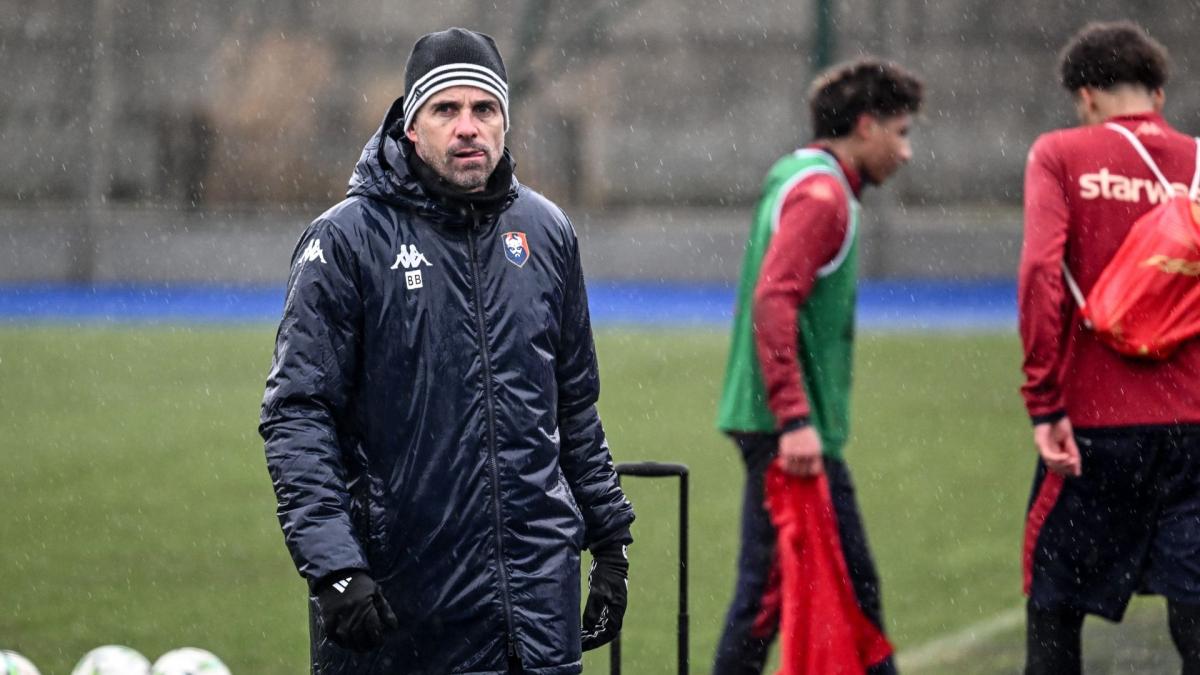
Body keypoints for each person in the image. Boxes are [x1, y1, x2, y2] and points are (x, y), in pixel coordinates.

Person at [259, 27, 635, 675]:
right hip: (404, 610)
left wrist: (609, 544)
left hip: (536, 611)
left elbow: (574, 405)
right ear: (410, 125)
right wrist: (336, 567)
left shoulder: (546, 233)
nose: (468, 127)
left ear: (505, 122)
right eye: (446, 109)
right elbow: (298, 413)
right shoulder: (346, 240)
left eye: (484, 109)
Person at [714, 59, 923, 674]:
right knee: (782, 597)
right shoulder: (825, 195)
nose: (906, 152)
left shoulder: (796, 172)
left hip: (782, 425)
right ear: (865, 127)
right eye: (901, 132)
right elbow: (774, 300)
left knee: (808, 591)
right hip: (792, 433)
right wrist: (795, 417)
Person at [1019, 21, 1200, 675]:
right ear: (1158, 92)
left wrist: (1044, 402)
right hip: (1191, 424)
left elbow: (1042, 273)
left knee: (1055, 608)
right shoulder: (1198, 159)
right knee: (1196, 614)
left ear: (1086, 95)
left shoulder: (1061, 153)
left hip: (1095, 424)